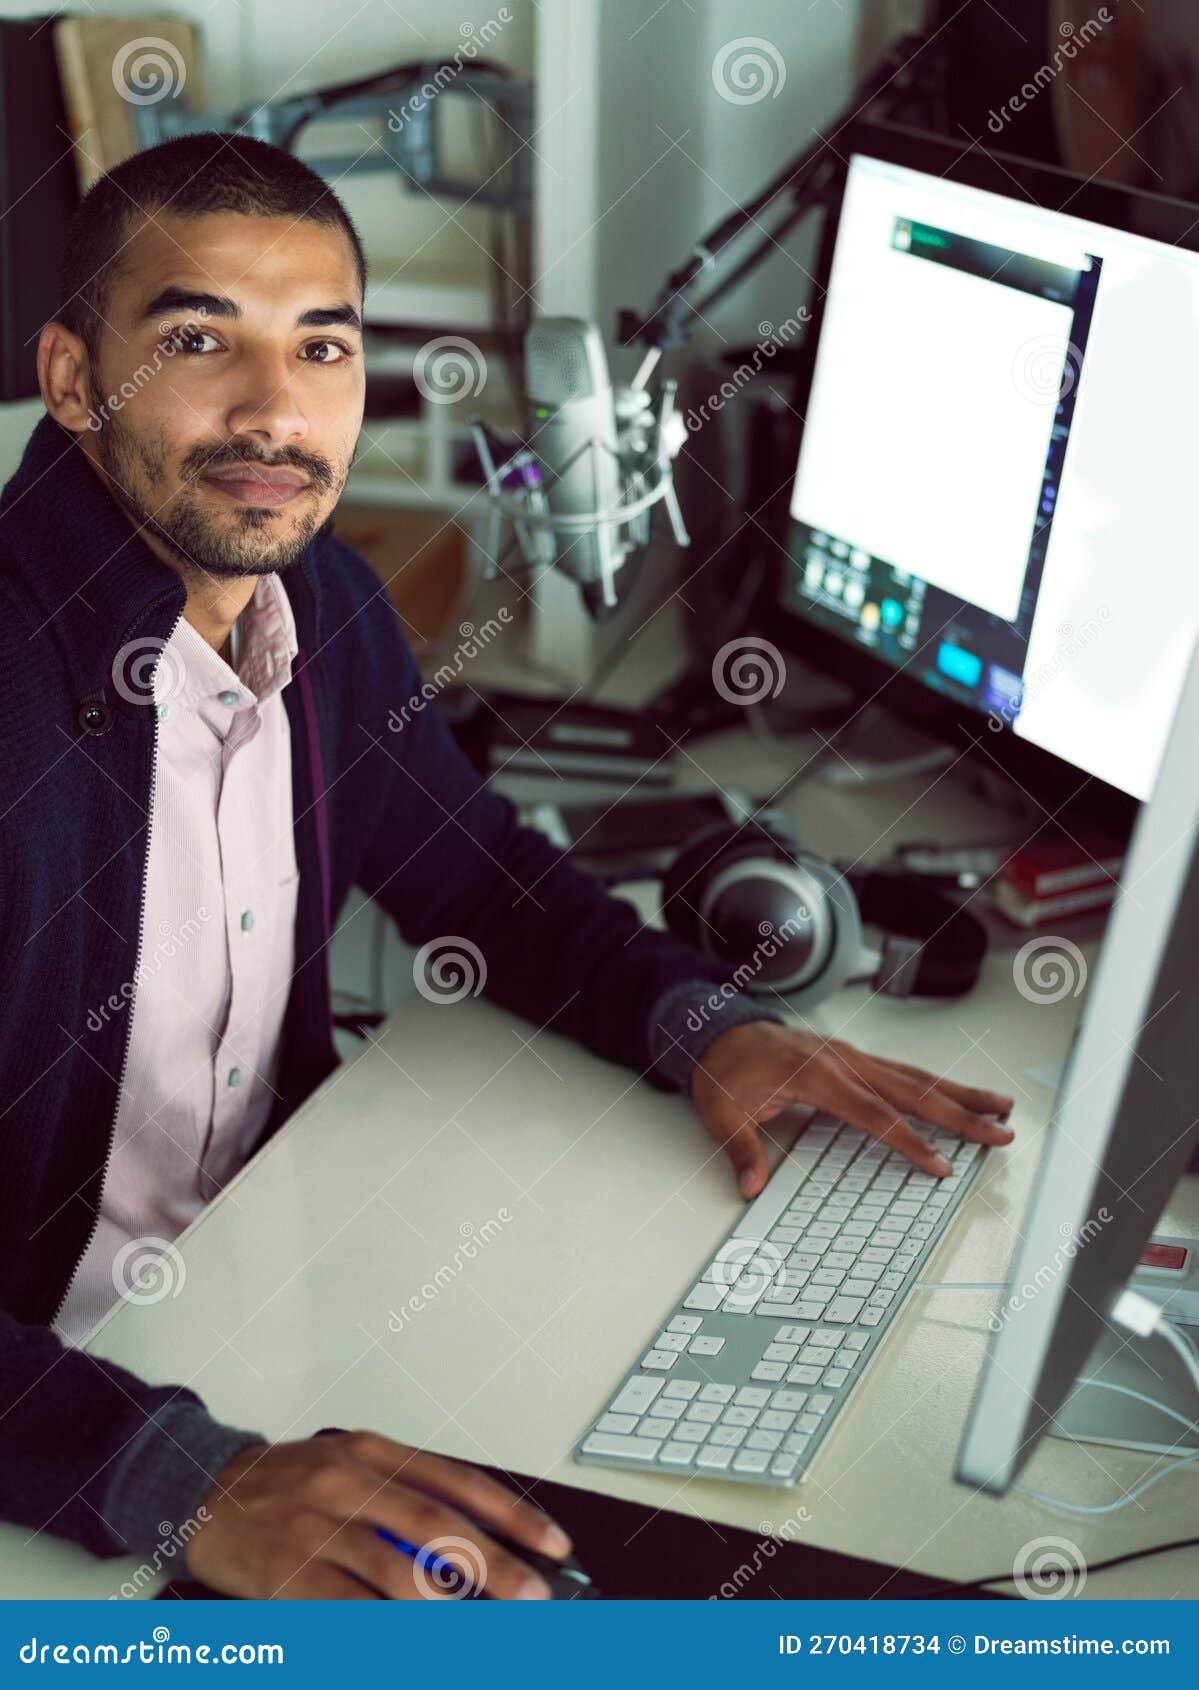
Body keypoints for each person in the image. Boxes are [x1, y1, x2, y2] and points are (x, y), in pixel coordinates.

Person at [0, 133, 1014, 1599]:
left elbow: (479, 879)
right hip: (66, 1465)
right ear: (77, 377)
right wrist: (173, 1476)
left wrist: (709, 1028)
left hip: (252, 1328)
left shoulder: (312, 607)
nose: (277, 410)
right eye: (200, 337)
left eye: (324, 347)